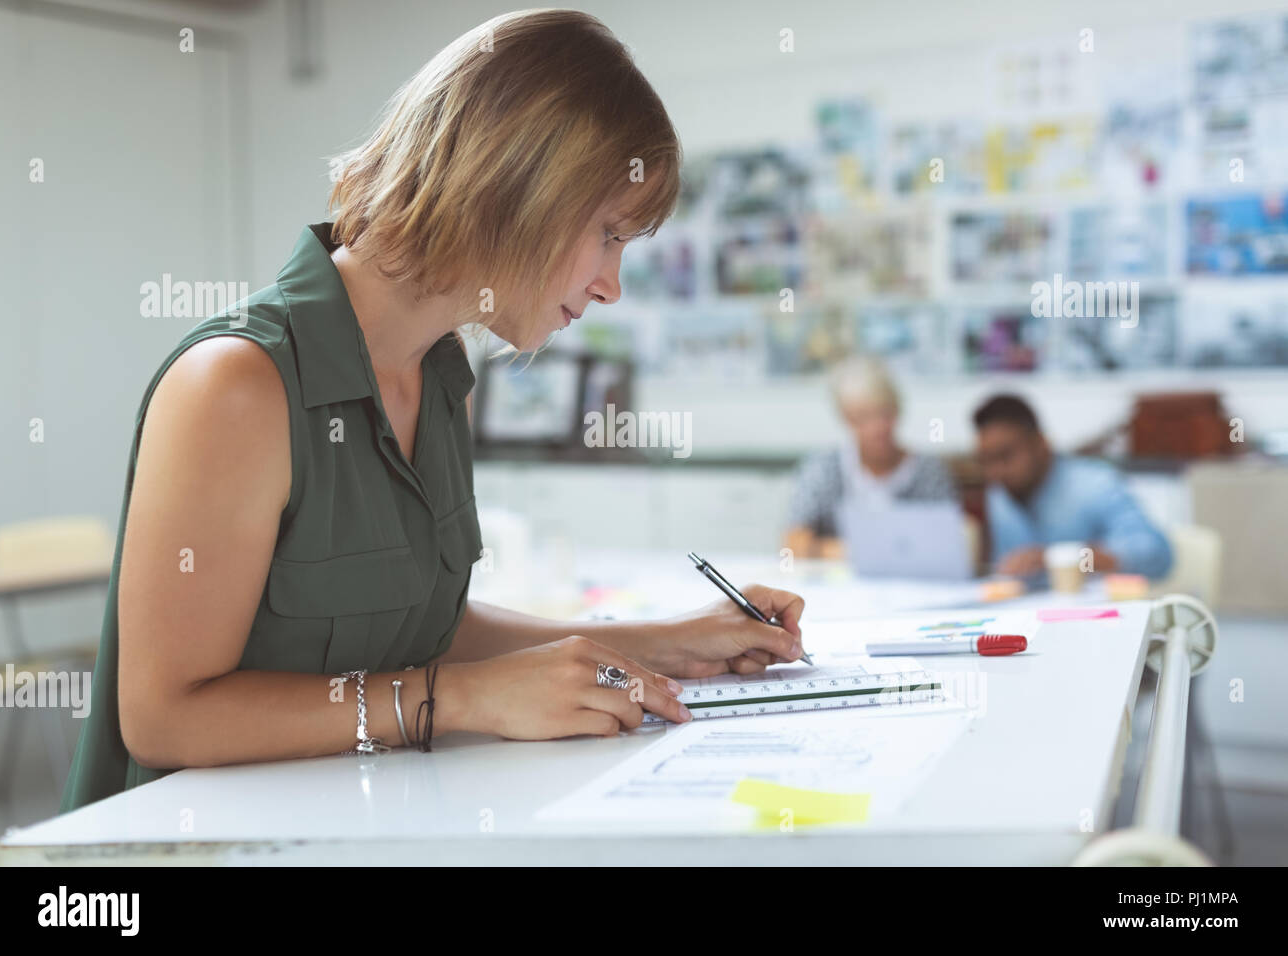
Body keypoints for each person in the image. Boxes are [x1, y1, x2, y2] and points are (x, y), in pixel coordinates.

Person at [61, 10, 808, 812]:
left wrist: (668, 645)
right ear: (517, 189)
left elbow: (414, 630)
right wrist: (459, 699)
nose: (610, 285)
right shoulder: (236, 385)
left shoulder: (442, 375)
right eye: (607, 236)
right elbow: (165, 719)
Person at [972, 394, 1173, 580]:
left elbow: (1156, 556)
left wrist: (1073, 560)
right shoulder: (999, 496)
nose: (995, 472)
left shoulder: (1096, 484)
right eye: (986, 461)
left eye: (1006, 456)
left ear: (1041, 444)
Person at [784, 354, 957, 560]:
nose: (877, 427)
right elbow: (793, 542)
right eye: (863, 417)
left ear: (897, 410)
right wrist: (858, 552)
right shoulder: (824, 469)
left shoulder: (928, 471)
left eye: (884, 414)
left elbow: (949, 541)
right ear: (847, 418)